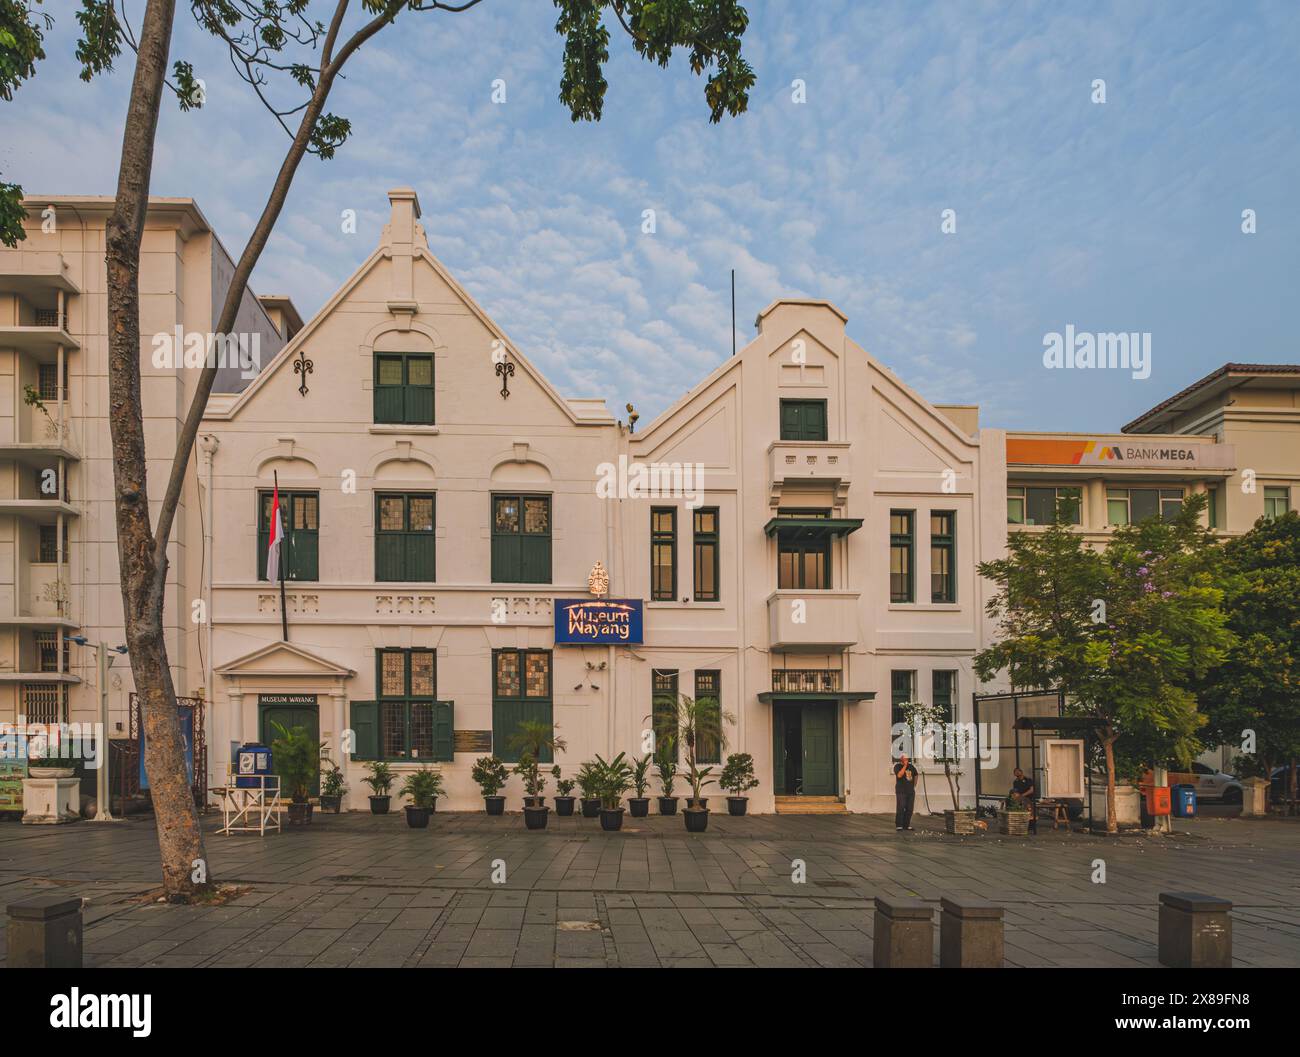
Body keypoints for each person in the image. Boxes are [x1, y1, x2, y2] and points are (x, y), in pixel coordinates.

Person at [893, 753, 918, 830]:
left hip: (910, 791)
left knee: (910, 808)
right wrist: (905, 766)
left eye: (907, 759)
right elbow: (899, 775)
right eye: (904, 759)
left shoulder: (911, 767)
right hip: (901, 791)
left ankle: (906, 825)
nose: (906, 760)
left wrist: (914, 785)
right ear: (901, 759)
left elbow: (916, 775)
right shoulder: (897, 766)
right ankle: (899, 825)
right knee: (901, 807)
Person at [1010, 767, 1037, 834]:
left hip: (1029, 797)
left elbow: (1032, 790)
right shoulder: (1015, 782)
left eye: (1018, 771)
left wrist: (1022, 795)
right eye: (1015, 772)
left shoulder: (1028, 780)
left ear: (1021, 772)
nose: (1017, 773)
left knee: (1026, 804)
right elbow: (1015, 791)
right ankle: (1016, 822)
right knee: (1012, 800)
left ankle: (1030, 823)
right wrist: (1015, 795)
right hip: (1020, 798)